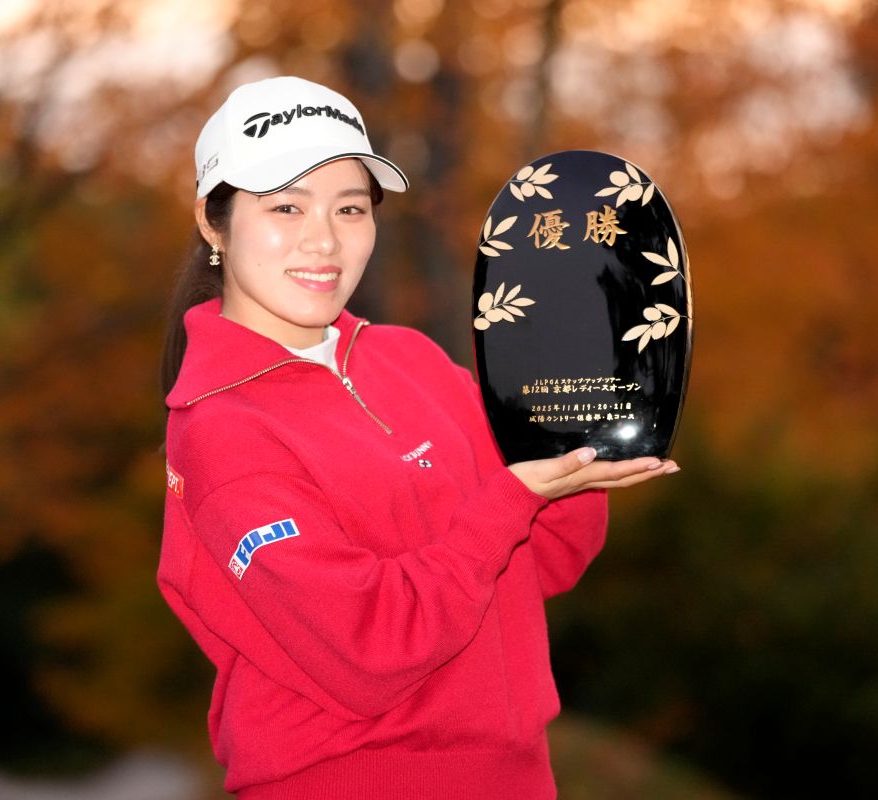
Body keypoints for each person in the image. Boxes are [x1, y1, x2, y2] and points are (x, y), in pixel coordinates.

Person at [157, 75, 678, 800]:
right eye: (285, 206)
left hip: (516, 780)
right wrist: (509, 498)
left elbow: (548, 562)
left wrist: (577, 439)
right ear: (214, 223)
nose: (324, 239)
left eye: (350, 208)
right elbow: (369, 648)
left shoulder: (409, 360)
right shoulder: (222, 428)